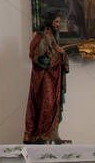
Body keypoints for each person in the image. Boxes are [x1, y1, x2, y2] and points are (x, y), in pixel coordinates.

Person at [23, 13, 69, 143]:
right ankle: (42, 135)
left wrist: (62, 55)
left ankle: (53, 134)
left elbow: (56, 52)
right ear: (50, 22)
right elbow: (36, 56)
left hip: (54, 77)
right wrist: (56, 58)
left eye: (59, 22)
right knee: (46, 103)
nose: (58, 25)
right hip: (43, 78)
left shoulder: (53, 36)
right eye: (56, 22)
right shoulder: (41, 36)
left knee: (55, 103)